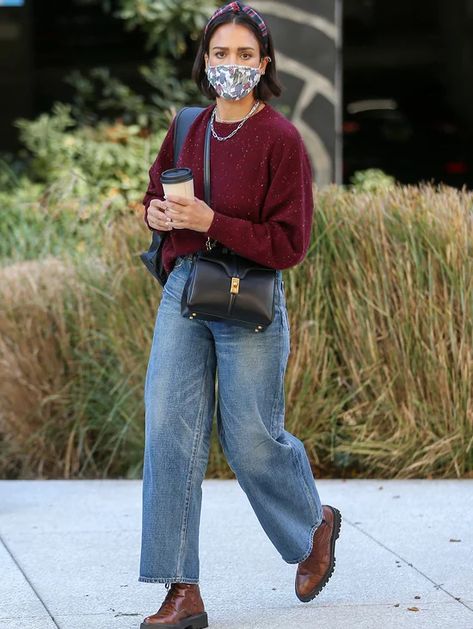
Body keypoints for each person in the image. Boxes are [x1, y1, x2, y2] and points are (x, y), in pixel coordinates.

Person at [138, 2, 341, 627]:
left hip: (250, 298)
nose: (231, 65)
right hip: (185, 292)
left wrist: (211, 222)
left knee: (251, 439)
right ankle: (181, 591)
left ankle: (315, 525)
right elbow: (153, 195)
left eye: (244, 56)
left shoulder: (281, 140)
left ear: (265, 63)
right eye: (220, 54)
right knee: (168, 434)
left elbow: (290, 244)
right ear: (205, 60)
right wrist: (158, 216)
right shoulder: (188, 126)